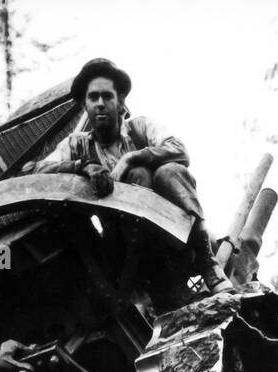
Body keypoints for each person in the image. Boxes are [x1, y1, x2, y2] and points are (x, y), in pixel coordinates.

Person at [33, 58, 230, 294]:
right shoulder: (78, 146)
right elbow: (36, 170)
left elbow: (180, 151)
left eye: (107, 96)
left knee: (169, 171)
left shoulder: (141, 128)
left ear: (120, 102)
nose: (100, 103)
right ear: (85, 105)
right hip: (125, 252)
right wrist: (83, 166)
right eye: (93, 97)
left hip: (177, 240)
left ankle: (209, 263)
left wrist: (132, 158)